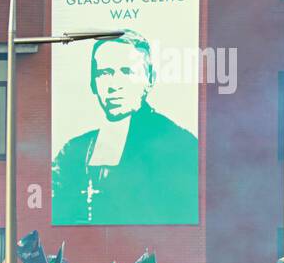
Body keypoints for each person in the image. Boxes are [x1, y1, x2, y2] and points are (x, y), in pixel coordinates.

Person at [51, 32, 198, 224]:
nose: (114, 85)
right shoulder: (73, 151)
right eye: (104, 73)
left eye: (127, 72)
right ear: (92, 83)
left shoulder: (179, 145)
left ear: (150, 79)